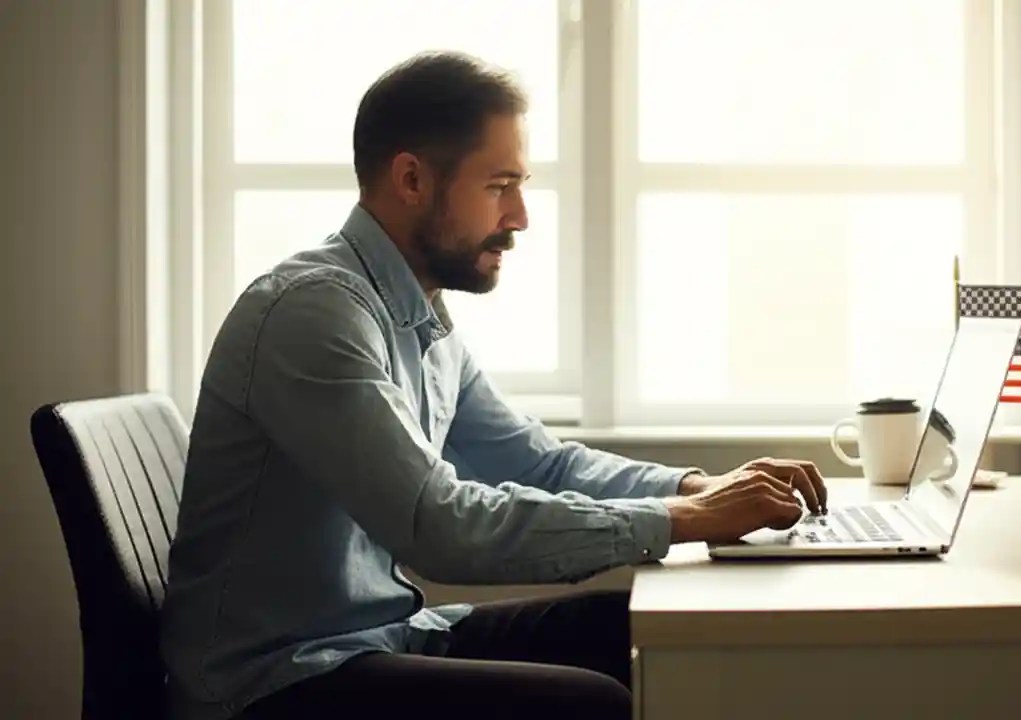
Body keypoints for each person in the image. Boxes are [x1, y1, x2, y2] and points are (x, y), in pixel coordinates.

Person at [159, 50, 828, 720]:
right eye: (499, 185)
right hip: (276, 684)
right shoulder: (315, 315)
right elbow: (439, 527)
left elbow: (540, 463)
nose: (520, 216)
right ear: (413, 179)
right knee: (586, 704)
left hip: (383, 640)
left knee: (626, 626)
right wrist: (685, 521)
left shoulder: (420, 318)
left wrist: (696, 488)